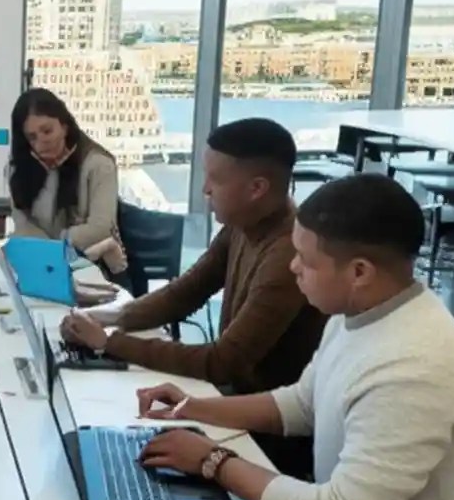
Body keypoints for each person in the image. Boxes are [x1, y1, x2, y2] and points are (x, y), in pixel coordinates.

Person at [137, 173, 454, 500]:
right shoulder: (359, 312)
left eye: (306, 260)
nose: (293, 267)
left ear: (359, 272)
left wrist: (211, 460)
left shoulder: (414, 369)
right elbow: (304, 403)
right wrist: (193, 408)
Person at [60, 117, 325, 478]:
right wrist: (105, 317)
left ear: (257, 188)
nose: (204, 190)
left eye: (215, 180)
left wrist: (109, 342)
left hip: (264, 440)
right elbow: (184, 293)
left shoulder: (285, 256)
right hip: (229, 405)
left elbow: (222, 362)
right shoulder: (244, 225)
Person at [8, 87, 126, 276]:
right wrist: (47, 255)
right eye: (32, 137)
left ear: (64, 126)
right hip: (43, 264)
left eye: (47, 131)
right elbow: (23, 223)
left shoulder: (98, 164)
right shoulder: (20, 167)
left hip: (93, 266)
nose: (42, 142)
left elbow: (100, 228)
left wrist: (58, 246)